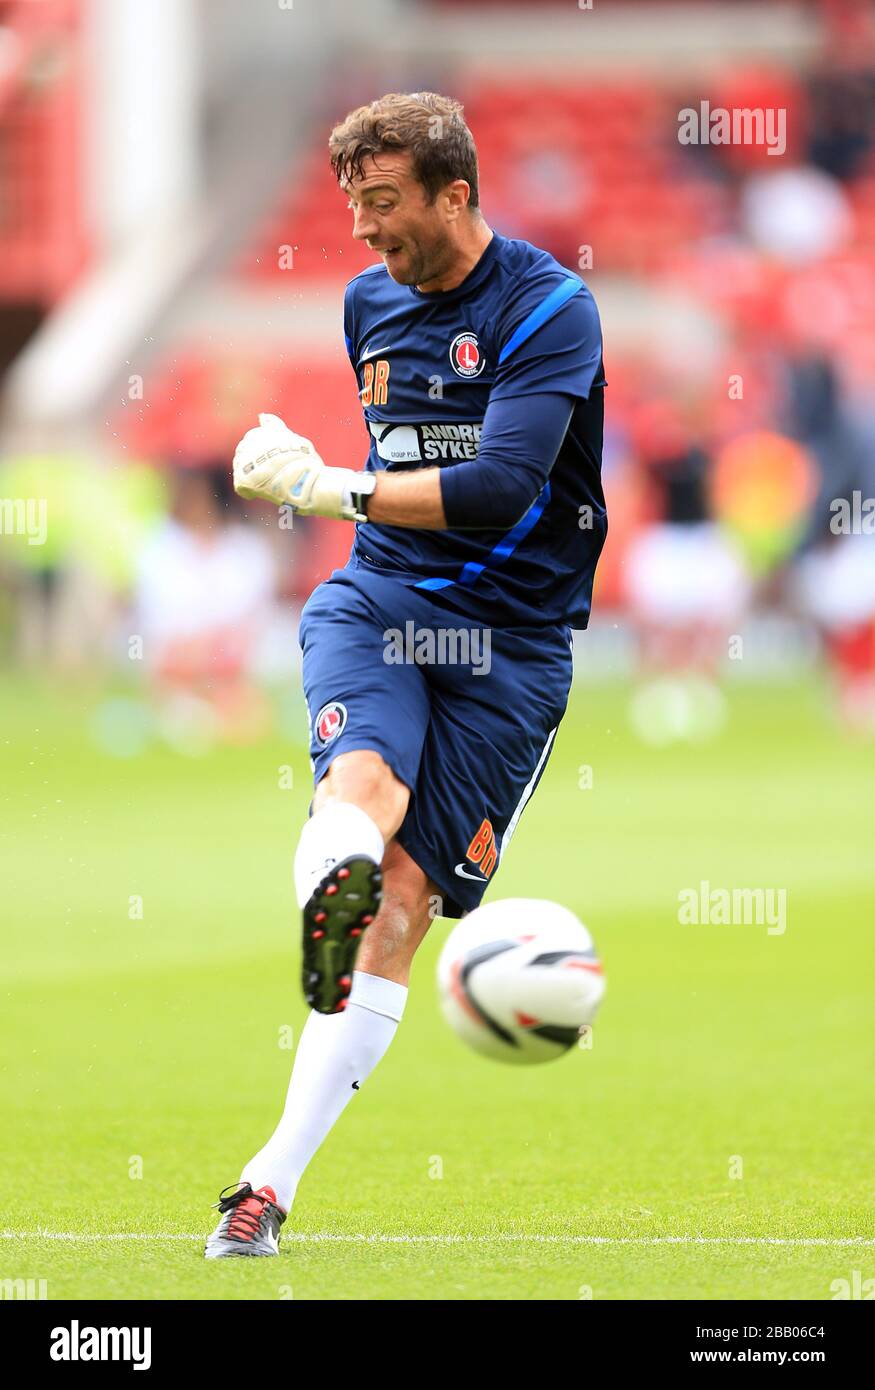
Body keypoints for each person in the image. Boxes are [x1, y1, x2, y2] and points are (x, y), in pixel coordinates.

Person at [205, 91, 607, 1257]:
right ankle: (265, 1179)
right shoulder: (365, 302)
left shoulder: (549, 308)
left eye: (384, 205)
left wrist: (321, 485)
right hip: (378, 601)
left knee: (402, 905)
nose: (366, 233)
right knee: (361, 792)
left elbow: (496, 486)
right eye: (353, 208)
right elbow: (403, 462)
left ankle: (268, 1180)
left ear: (454, 192)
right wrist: (343, 496)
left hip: (512, 650)